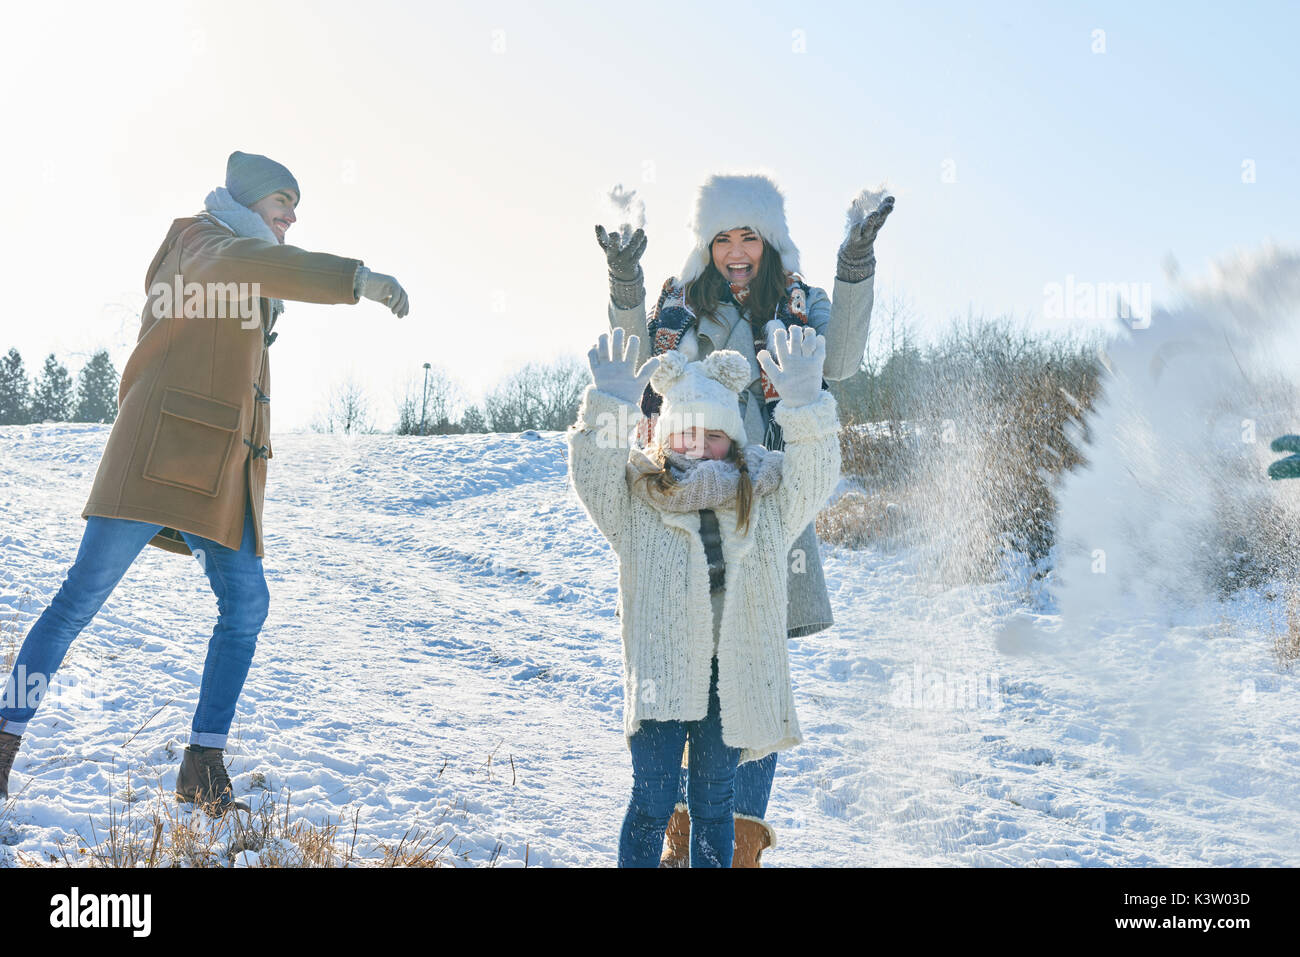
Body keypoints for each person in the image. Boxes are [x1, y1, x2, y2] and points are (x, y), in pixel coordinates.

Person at [0, 151, 411, 814]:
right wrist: (355, 279)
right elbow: (238, 266)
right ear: (249, 201)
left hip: (218, 469)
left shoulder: (244, 256)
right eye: (284, 202)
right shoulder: (201, 240)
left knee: (246, 604)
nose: (293, 216)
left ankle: (202, 763)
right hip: (157, 453)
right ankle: (3, 739)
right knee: (78, 600)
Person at [595, 172, 892, 864]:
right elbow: (637, 361)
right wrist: (624, 281)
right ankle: (681, 835)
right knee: (685, 662)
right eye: (722, 236)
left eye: (748, 236)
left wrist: (854, 266)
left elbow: (841, 360)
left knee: (753, 675)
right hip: (686, 516)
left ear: (770, 242)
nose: (735, 250)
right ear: (707, 244)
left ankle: (739, 841)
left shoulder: (797, 308)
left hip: (768, 513)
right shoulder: (680, 309)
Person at [568, 324, 841, 867]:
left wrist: (806, 404)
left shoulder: (763, 497)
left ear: (734, 439)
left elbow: (815, 477)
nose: (697, 445)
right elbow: (592, 477)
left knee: (715, 803)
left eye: (712, 435)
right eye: (684, 433)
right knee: (651, 798)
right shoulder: (638, 498)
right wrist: (610, 405)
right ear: (665, 436)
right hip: (662, 670)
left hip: (732, 673)